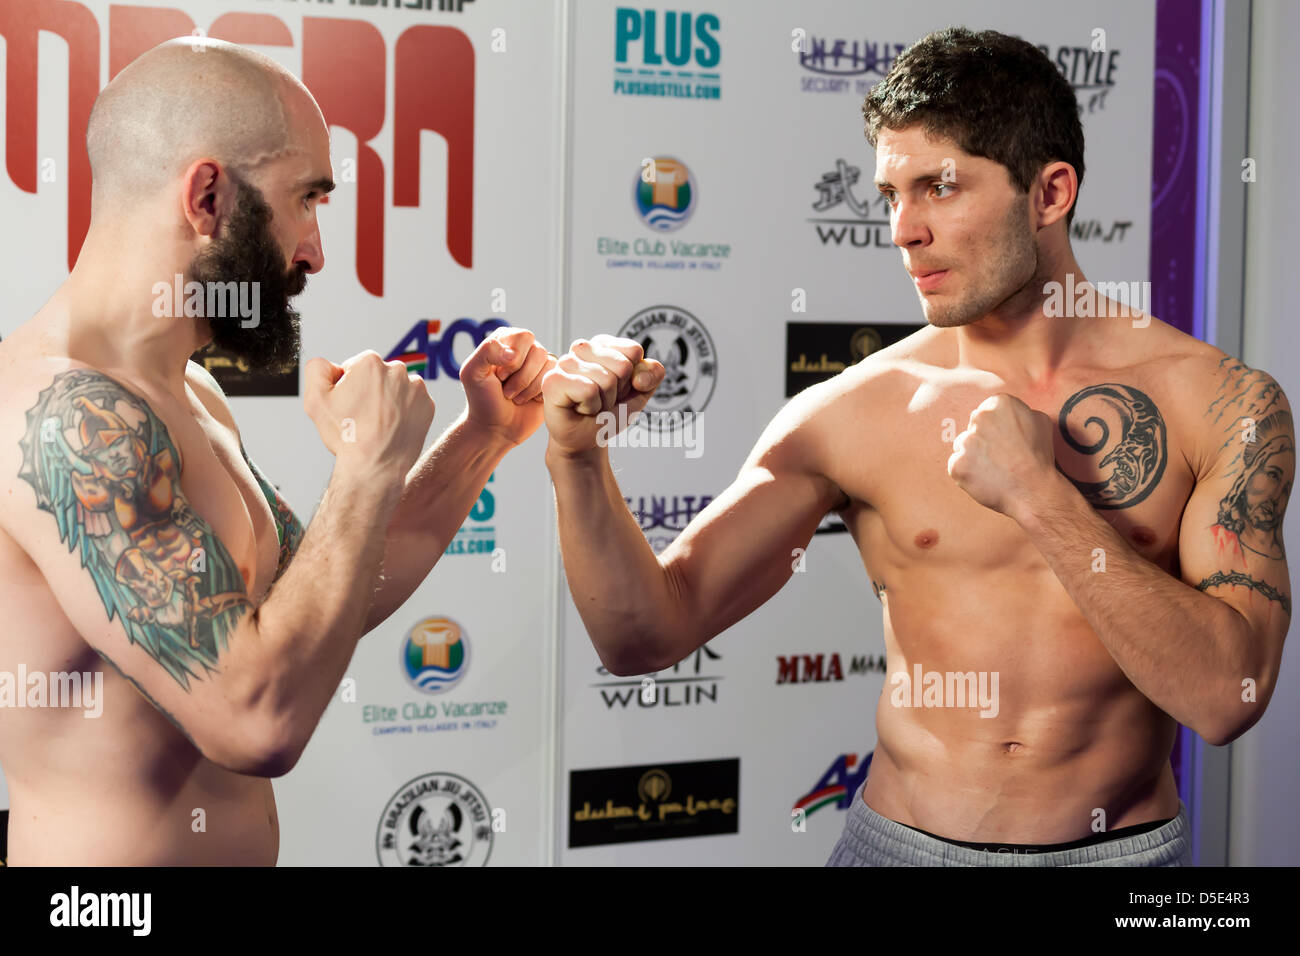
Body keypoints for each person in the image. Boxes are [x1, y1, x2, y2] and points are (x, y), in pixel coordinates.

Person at [539, 27, 1292, 866]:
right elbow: (643, 637)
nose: (903, 230)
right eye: (890, 195)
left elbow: (1228, 698)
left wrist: (1040, 497)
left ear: (1050, 194)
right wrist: (577, 461)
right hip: (898, 850)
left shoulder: (1219, 404)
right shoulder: (853, 411)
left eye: (939, 187)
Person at [0, 38, 553, 865]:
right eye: (306, 199)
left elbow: (320, 599)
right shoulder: (62, 416)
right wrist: (365, 468)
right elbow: (255, 721)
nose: (315, 252)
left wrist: (486, 437)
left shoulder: (190, 392)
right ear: (208, 196)